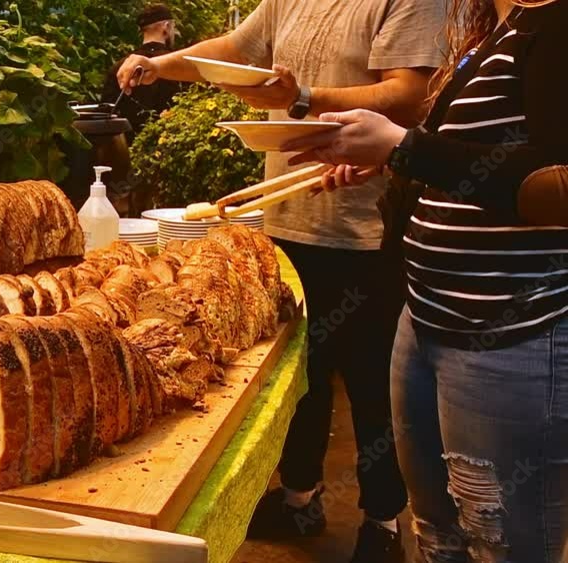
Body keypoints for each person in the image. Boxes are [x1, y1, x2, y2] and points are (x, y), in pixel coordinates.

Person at [117, 0, 446, 560]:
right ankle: (299, 498)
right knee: (299, 376)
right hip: (290, 220)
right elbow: (234, 53)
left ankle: (384, 522)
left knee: (370, 384)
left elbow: (410, 93)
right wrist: (161, 62)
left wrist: (302, 100)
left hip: (365, 226)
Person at [282, 0, 568, 559]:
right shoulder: (494, 29)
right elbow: (473, 158)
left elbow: (555, 180)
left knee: (504, 543)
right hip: (425, 320)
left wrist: (405, 146)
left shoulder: (557, 24)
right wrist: (393, 160)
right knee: (437, 530)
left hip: (511, 332)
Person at [101, 4, 184, 141]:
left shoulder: (120, 68)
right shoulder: (179, 67)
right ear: (166, 26)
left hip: (128, 148)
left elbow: (107, 113)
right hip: (171, 146)